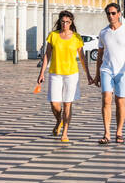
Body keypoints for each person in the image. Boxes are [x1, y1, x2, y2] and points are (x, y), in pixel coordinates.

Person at [36, 10, 90, 144]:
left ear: (71, 23)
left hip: (71, 74)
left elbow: (82, 57)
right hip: (55, 72)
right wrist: (41, 73)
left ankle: (65, 131)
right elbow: (47, 55)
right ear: (59, 22)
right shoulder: (53, 36)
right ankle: (59, 121)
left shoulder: (77, 37)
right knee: (55, 104)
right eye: (63, 21)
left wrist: (88, 74)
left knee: (67, 104)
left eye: (67, 22)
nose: (65, 24)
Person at [93, 1, 125, 144]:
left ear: (119, 14)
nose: (111, 16)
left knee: (120, 101)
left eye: (113, 13)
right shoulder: (103, 32)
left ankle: (119, 132)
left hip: (122, 71)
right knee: (106, 100)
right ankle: (107, 133)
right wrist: (97, 74)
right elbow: (100, 54)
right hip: (106, 69)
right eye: (108, 13)